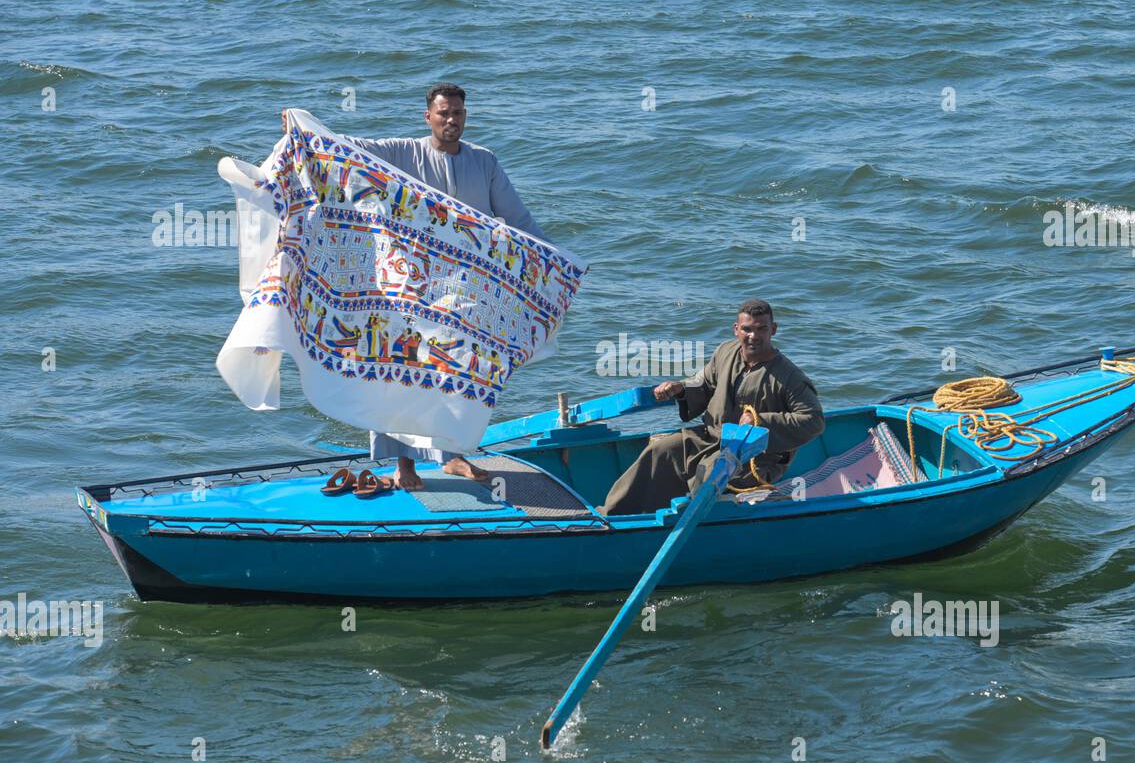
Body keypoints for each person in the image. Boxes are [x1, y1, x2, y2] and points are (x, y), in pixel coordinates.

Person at [281, 83, 545, 488]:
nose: (451, 120)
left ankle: (454, 456)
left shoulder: (484, 162)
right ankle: (403, 467)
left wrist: (551, 261)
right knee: (397, 371)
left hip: (463, 291)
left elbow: (517, 219)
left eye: (458, 113)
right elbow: (351, 148)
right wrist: (302, 127)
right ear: (429, 117)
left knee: (459, 370)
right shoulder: (406, 152)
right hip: (409, 284)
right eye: (443, 113)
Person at [601, 300, 825, 515]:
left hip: (752, 456)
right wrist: (680, 388)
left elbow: (813, 420)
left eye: (761, 329)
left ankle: (690, 522)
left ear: (773, 330)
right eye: (746, 329)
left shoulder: (790, 376)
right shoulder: (725, 352)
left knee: (709, 474)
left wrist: (760, 422)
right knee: (660, 451)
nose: (753, 336)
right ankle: (612, 515)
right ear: (735, 329)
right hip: (709, 439)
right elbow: (704, 383)